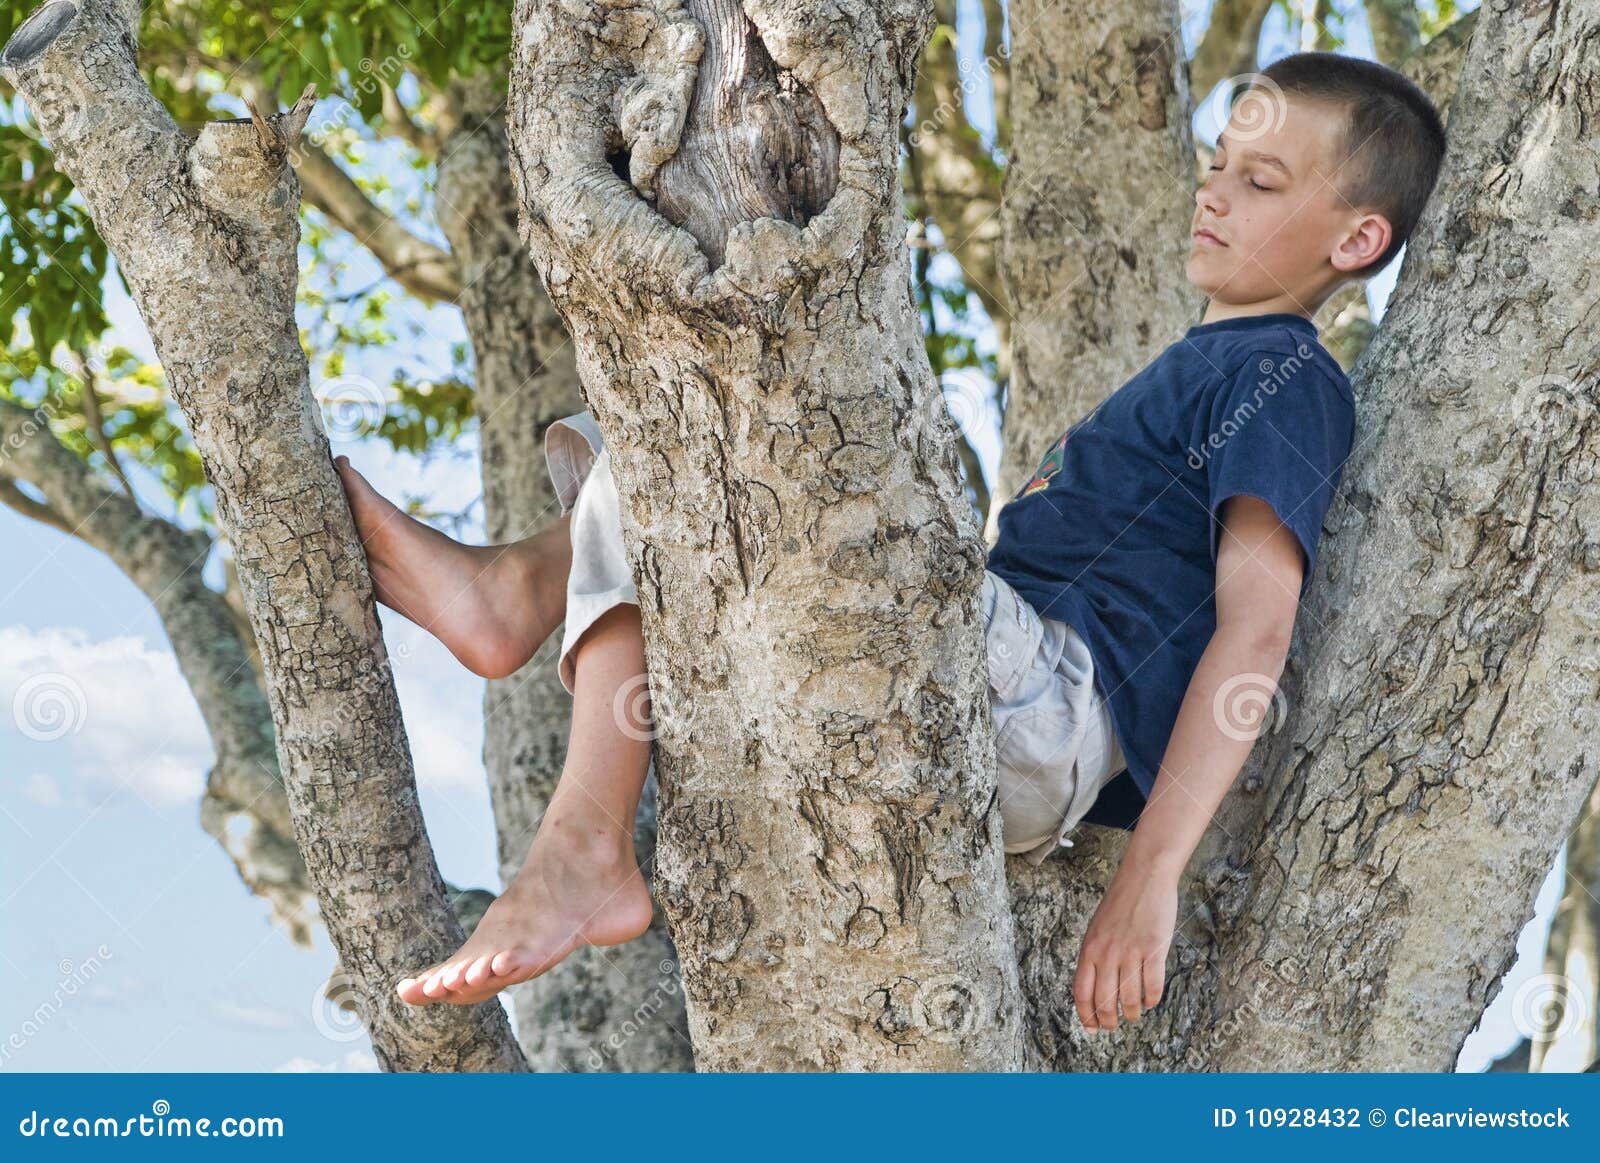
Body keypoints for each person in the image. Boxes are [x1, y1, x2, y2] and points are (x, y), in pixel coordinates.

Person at [334, 51, 1445, 1029]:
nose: (1216, 194)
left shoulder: (1284, 377)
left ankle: (575, 821)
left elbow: (1255, 638)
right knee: (688, 417)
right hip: (987, 704)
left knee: (723, 407)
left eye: (1260, 184)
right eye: (1218, 164)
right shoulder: (1210, 366)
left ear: (1356, 237)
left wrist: (1149, 875)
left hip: (1037, 709)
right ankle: (524, 591)